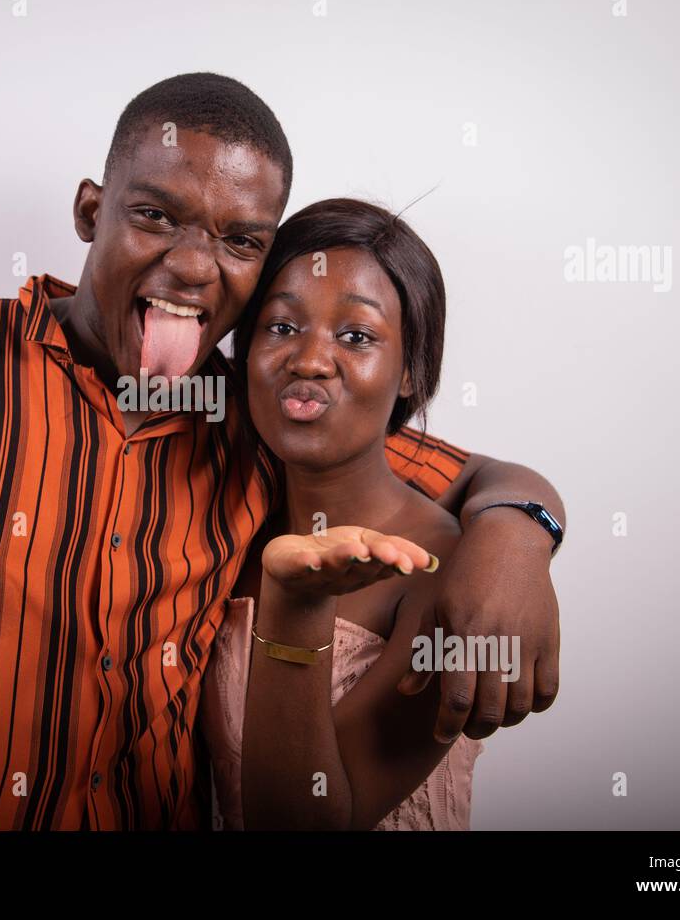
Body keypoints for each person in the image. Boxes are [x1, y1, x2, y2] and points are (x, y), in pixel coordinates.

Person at [0, 73, 565, 830]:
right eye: (156, 215)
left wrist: (520, 535)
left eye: (238, 240)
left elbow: (462, 476)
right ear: (90, 211)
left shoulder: (260, 415)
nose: (193, 267)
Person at [201, 198, 491, 830]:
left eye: (356, 336)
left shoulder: (450, 570)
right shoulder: (223, 525)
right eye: (280, 327)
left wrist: (296, 604)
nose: (307, 360)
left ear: (412, 368)